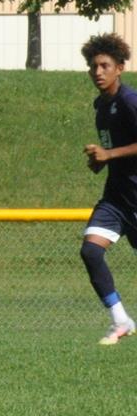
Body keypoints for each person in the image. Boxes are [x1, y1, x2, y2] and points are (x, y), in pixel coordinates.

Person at [81, 32, 137, 345]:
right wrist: (99, 161)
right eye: (93, 66)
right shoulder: (101, 107)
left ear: (120, 69)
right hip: (116, 199)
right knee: (91, 251)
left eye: (105, 66)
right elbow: (110, 148)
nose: (98, 72)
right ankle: (120, 320)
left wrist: (110, 154)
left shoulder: (130, 102)